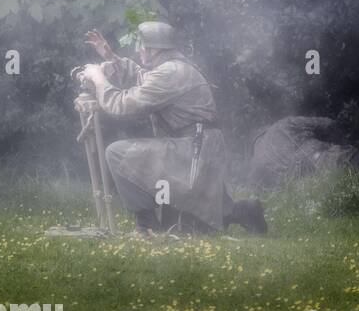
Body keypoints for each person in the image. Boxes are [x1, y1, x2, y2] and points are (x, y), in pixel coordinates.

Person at [78, 21, 266, 235]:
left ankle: (147, 228)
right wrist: (110, 58)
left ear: (155, 49)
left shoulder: (170, 73)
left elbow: (123, 105)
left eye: (142, 46)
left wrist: (98, 78)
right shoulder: (172, 69)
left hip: (193, 149)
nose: (139, 50)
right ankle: (244, 211)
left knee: (117, 153)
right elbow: (142, 77)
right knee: (191, 220)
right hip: (198, 145)